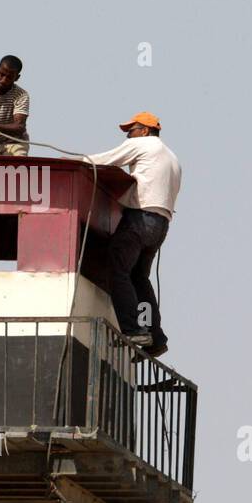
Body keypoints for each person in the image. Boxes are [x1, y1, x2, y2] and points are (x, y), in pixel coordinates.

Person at [83, 112, 181, 357]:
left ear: (145, 130)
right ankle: (155, 337)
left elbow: (106, 160)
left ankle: (133, 329)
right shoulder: (172, 158)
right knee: (140, 278)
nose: (128, 134)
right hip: (160, 224)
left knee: (118, 270)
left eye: (132, 129)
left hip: (140, 218)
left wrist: (76, 161)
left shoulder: (143, 144)